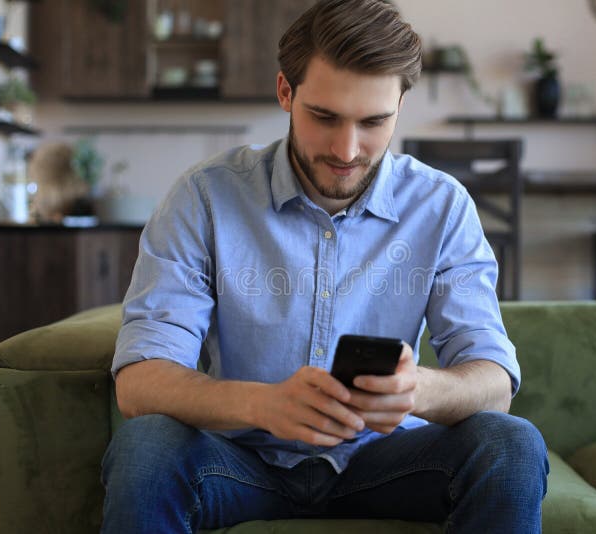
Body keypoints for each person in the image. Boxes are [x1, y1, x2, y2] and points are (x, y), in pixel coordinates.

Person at [102, 1, 548, 532]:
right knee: (146, 445)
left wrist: (420, 391)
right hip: (240, 463)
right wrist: (262, 405)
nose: (347, 149)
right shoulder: (205, 197)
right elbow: (140, 383)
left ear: (400, 105)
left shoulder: (442, 205)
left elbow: (494, 382)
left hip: (385, 463)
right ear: (286, 93)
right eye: (325, 116)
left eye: (374, 121)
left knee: (513, 442)